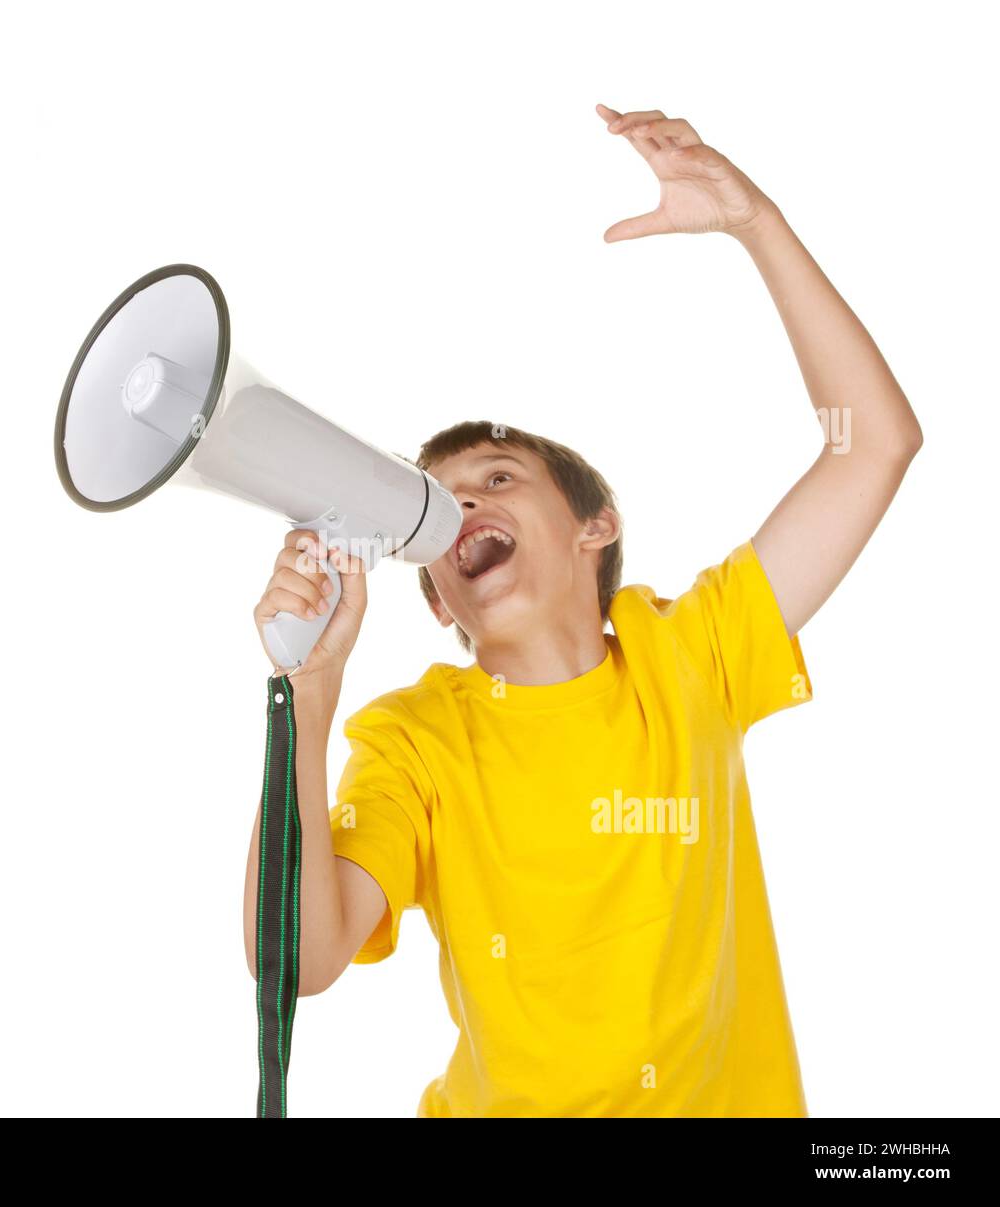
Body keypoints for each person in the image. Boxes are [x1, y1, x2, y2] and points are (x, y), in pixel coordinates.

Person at [243, 104, 924, 1117]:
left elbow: (873, 443)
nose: (462, 504)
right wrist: (311, 691)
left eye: (497, 477)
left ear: (594, 525)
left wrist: (756, 222)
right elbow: (298, 962)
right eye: (434, 504)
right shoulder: (415, 742)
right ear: (434, 595)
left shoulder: (690, 652)